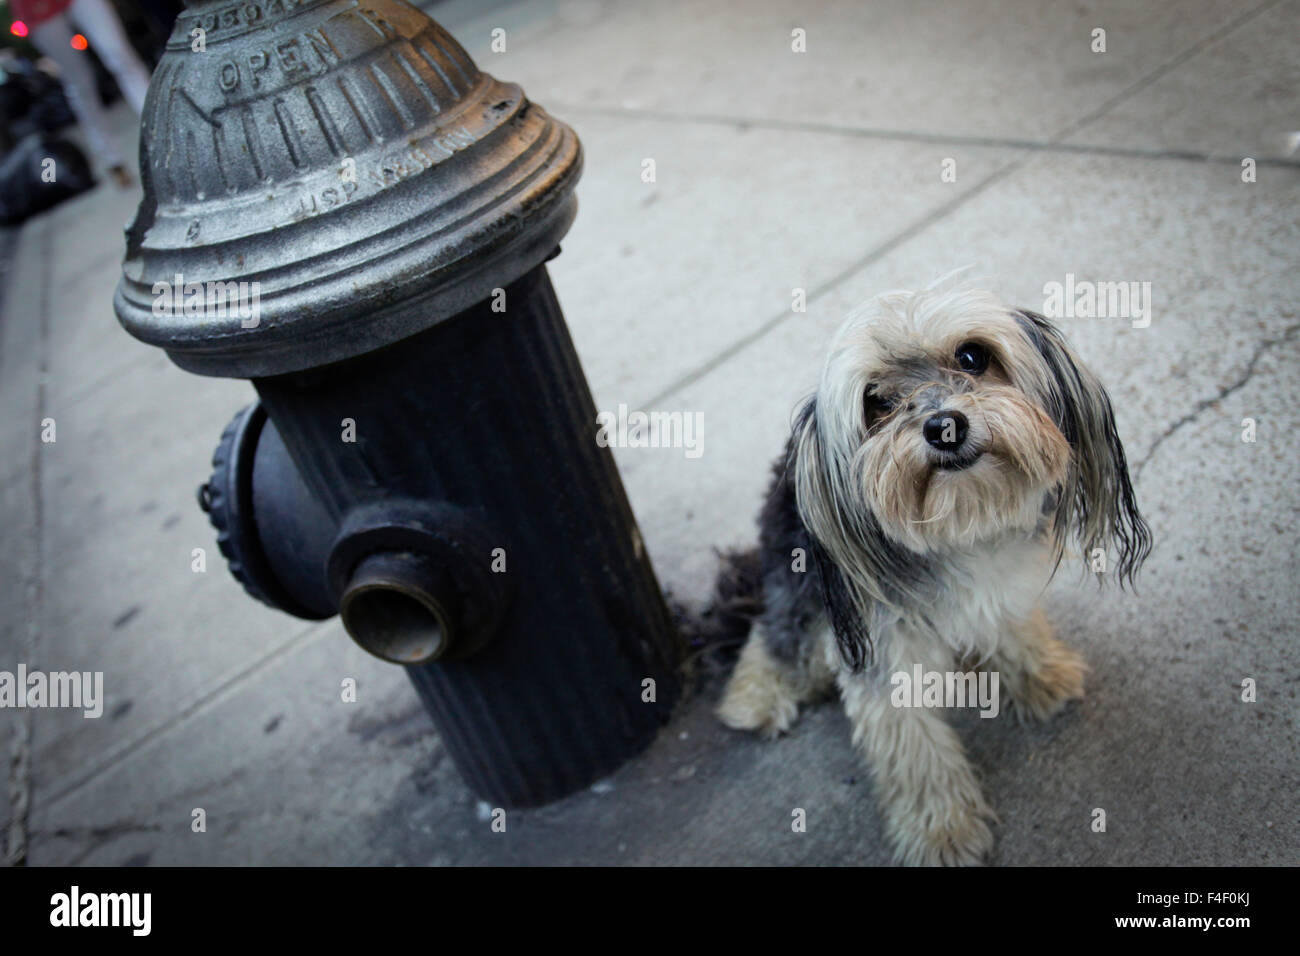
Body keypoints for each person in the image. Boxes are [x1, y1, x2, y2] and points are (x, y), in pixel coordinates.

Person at [11, 0, 151, 187]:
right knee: (78, 82)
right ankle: (112, 159)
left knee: (119, 55)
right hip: (35, 6)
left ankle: (157, 126)